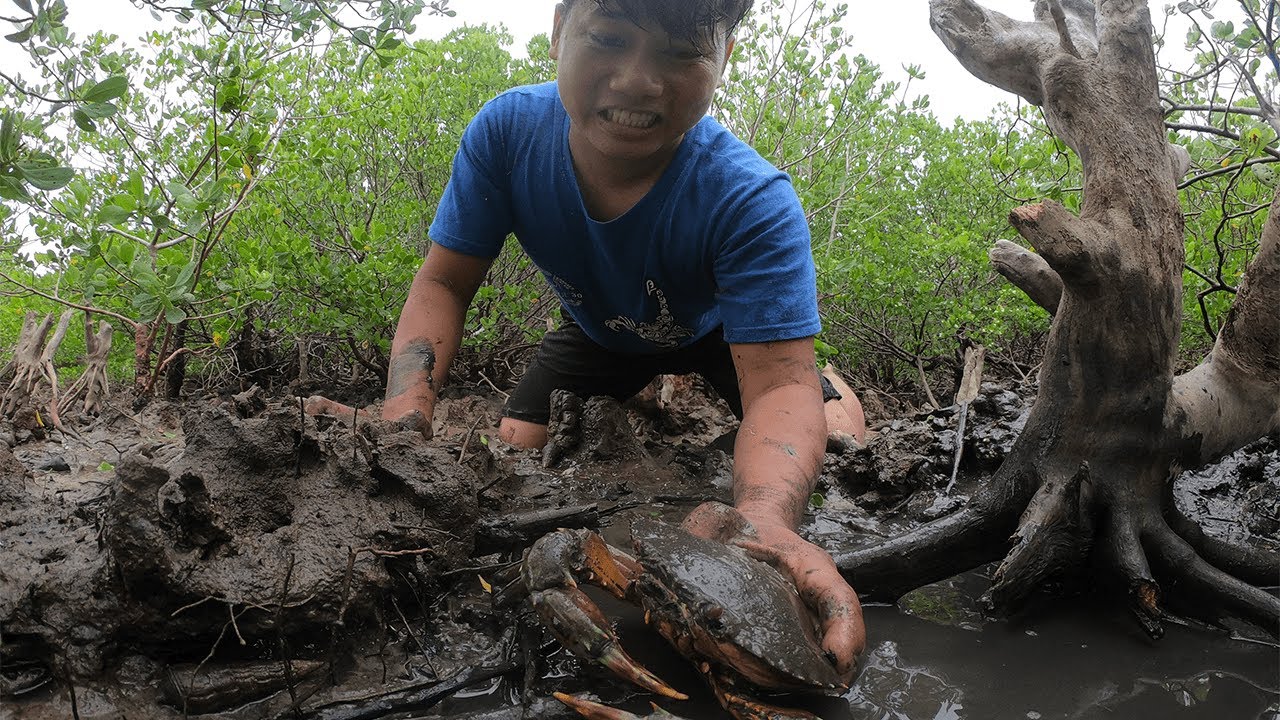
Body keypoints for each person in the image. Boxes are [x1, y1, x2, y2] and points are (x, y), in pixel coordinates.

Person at [368, 0, 867, 679]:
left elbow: (777, 383)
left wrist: (763, 519)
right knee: (514, 445)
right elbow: (444, 283)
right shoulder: (509, 134)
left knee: (837, 438)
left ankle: (830, 383)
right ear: (558, 31)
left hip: (718, 335)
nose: (637, 80)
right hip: (599, 332)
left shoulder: (750, 198)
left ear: (723, 59)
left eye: (680, 53)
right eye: (608, 37)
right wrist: (404, 419)